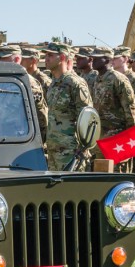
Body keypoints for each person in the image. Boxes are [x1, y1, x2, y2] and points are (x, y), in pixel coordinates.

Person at [42, 41, 92, 171]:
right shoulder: (53, 83)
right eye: (46, 55)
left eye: (50, 55)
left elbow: (87, 119)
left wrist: (82, 149)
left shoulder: (75, 83)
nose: (46, 59)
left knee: (71, 184)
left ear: (62, 57)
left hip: (71, 152)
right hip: (53, 149)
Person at [90, 45, 135, 170]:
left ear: (107, 59)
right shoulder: (97, 80)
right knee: (100, 175)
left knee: (118, 175)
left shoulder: (118, 79)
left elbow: (131, 109)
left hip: (117, 140)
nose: (92, 60)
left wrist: (130, 138)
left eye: (97, 58)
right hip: (100, 139)